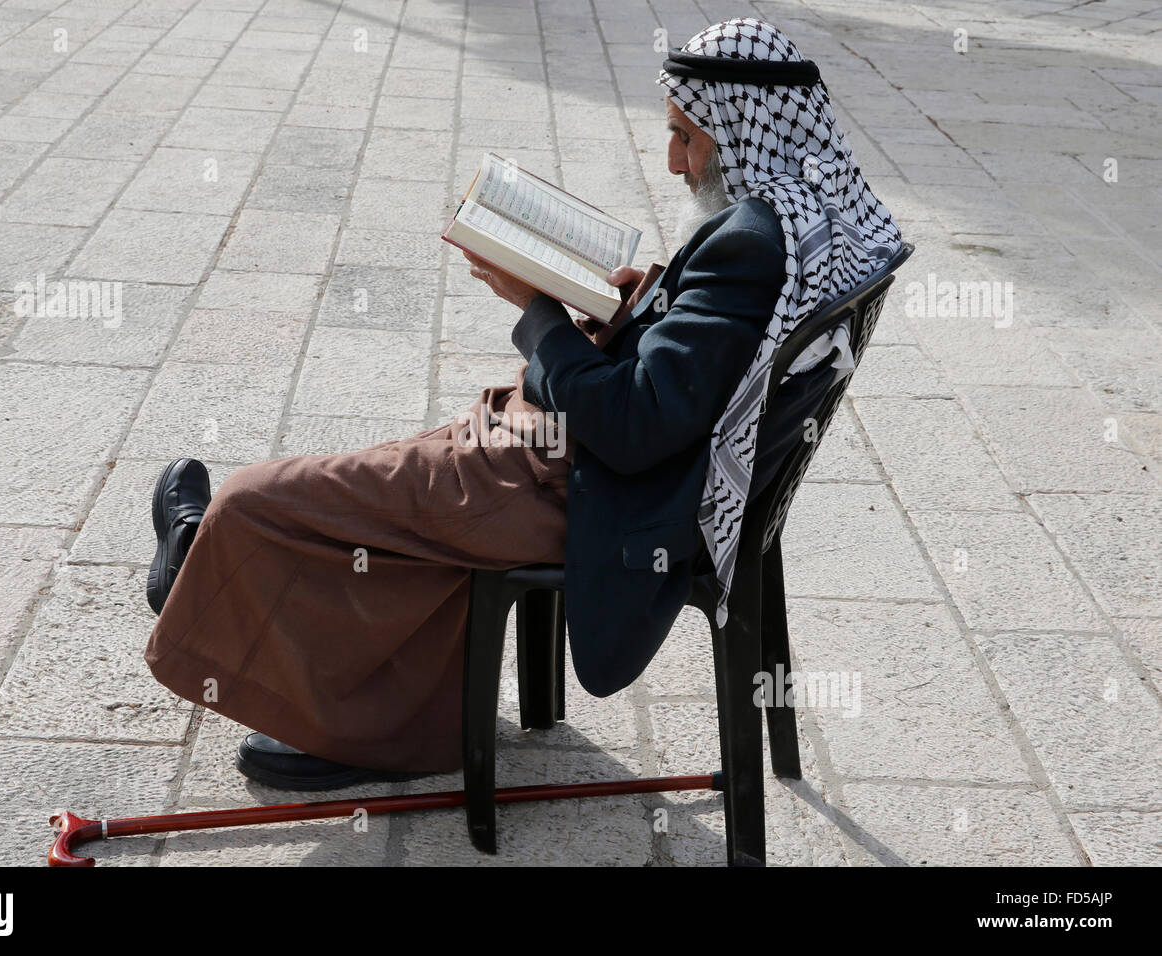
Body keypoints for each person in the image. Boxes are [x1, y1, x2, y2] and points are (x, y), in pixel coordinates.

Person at [142, 18, 903, 790]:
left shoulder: (750, 243)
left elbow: (636, 428)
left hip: (591, 489)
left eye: (688, 138)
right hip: (569, 456)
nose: (674, 162)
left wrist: (537, 307)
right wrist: (639, 315)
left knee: (257, 499)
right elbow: (708, 367)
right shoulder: (801, 212)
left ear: (744, 132)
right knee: (363, 497)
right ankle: (359, 702)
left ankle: (203, 563)